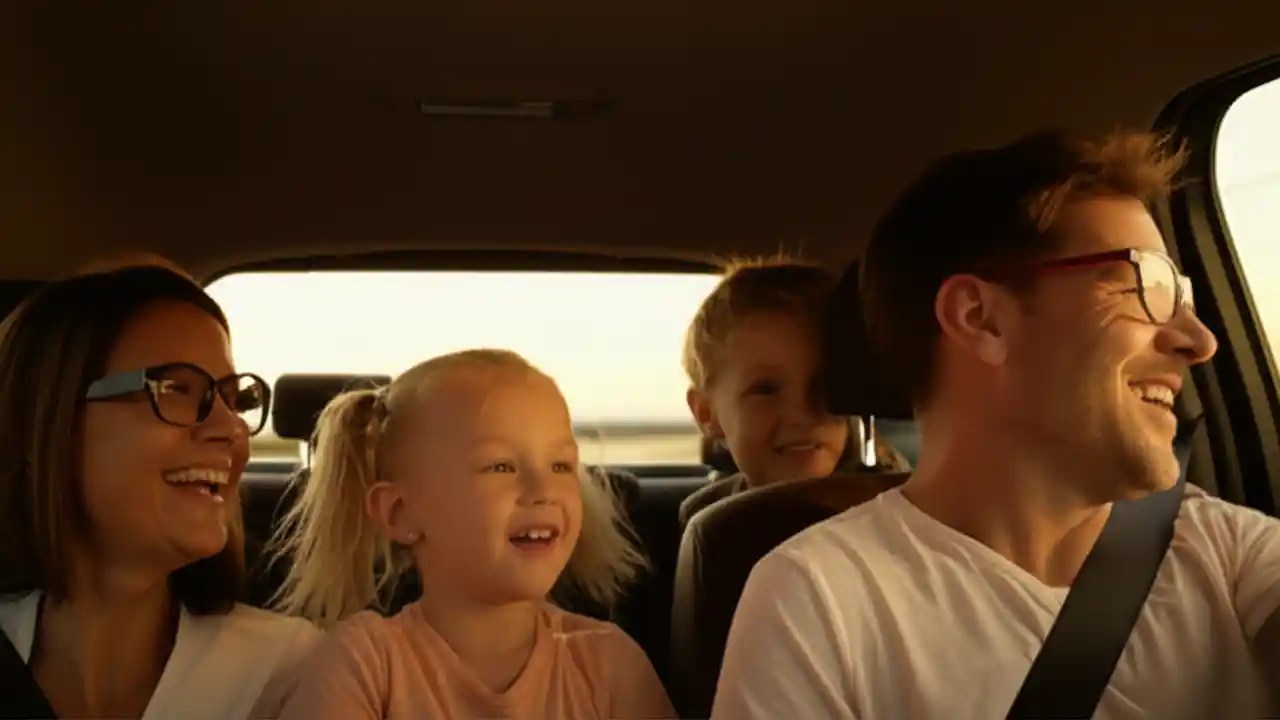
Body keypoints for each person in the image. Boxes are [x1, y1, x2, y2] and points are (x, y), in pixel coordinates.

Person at [711, 130, 1280, 718]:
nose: (1199, 340)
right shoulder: (819, 598)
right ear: (980, 318)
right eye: (1147, 286)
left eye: (1182, 296)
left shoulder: (1230, 551)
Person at [265, 349, 675, 719]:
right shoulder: (366, 664)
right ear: (399, 513)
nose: (543, 490)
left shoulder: (609, 664)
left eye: (561, 466)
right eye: (500, 467)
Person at [0, 265, 320, 719]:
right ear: (49, 422)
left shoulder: (292, 672)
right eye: (175, 389)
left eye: (234, 399)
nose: (231, 429)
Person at [679, 258, 907, 528]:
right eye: (765, 390)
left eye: (824, 385)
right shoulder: (707, 518)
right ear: (706, 413)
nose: (802, 413)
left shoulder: (893, 512)